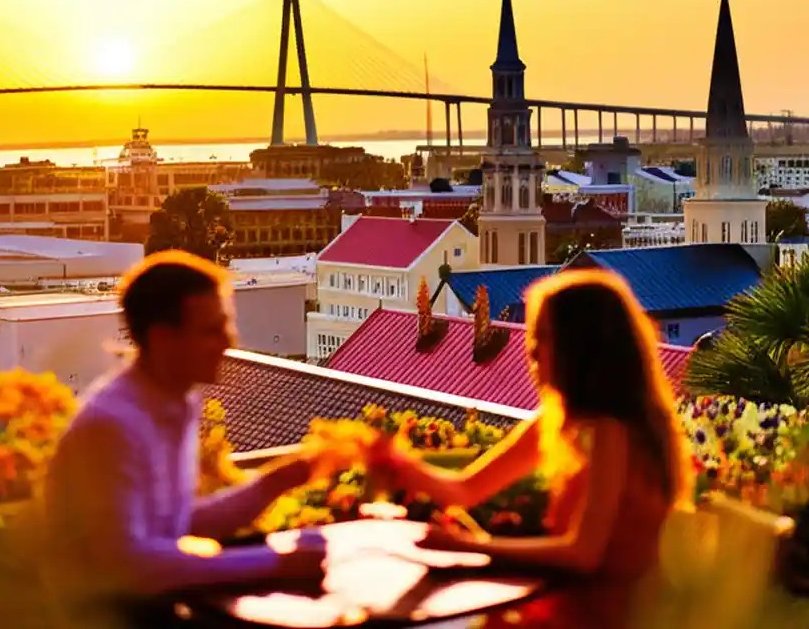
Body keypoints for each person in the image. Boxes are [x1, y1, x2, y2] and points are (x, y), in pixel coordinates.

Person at [41, 251, 325, 620]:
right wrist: (277, 562)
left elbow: (172, 524)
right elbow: (130, 566)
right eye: (212, 329)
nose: (229, 341)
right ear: (162, 339)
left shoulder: (178, 402)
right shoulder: (111, 424)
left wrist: (274, 483)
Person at [370, 268, 691, 582]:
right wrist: (394, 463)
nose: (531, 349)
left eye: (543, 336)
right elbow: (465, 490)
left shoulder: (611, 432)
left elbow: (583, 555)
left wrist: (469, 546)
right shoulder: (558, 420)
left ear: (581, 348)